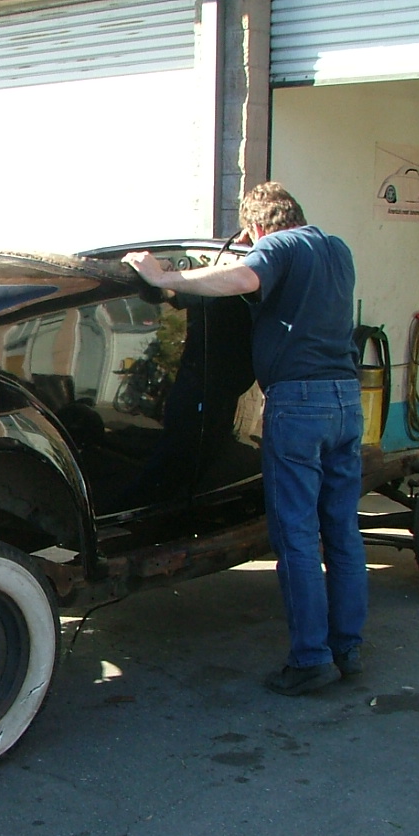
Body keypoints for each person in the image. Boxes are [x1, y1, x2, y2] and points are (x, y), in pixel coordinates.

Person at [122, 182, 366, 695]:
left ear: (255, 228)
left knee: (297, 536)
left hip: (299, 406)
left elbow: (239, 278)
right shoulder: (337, 248)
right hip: (345, 400)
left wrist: (163, 276)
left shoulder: (276, 247)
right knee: (341, 531)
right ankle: (348, 647)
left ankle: (310, 660)